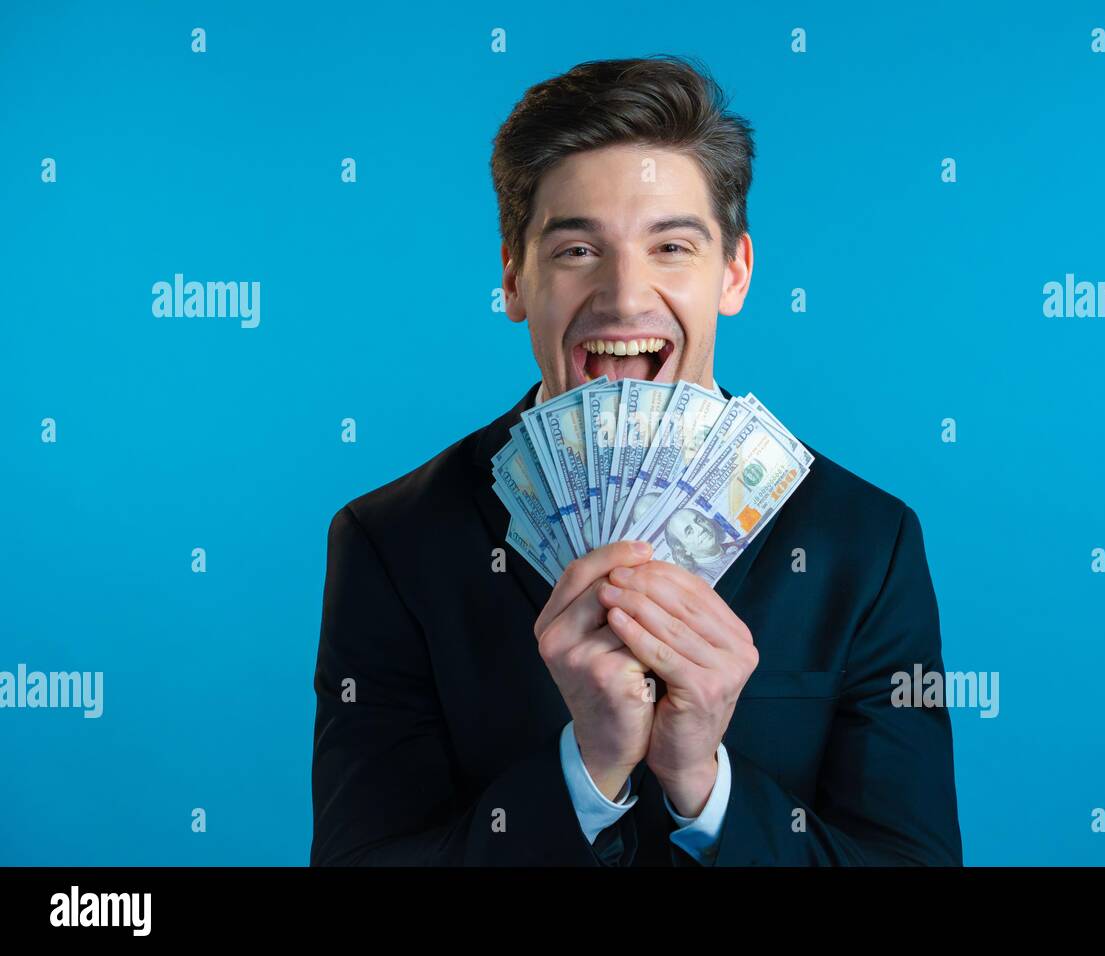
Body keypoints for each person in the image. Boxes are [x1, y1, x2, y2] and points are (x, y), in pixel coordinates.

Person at [310, 54, 962, 866]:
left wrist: (702, 783)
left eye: (672, 248)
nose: (623, 298)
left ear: (734, 272)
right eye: (578, 250)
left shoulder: (866, 543)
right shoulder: (392, 542)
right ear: (514, 279)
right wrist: (585, 771)